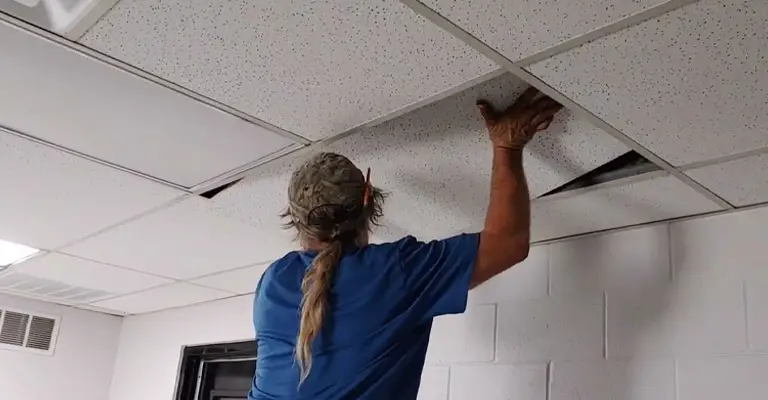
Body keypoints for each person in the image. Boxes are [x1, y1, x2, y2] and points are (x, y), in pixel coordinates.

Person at [248, 87, 563, 399]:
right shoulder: (394, 272)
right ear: (368, 196)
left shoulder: (273, 283)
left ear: (296, 218)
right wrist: (507, 146)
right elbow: (506, 243)